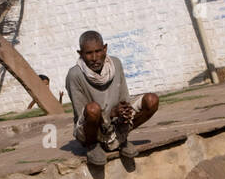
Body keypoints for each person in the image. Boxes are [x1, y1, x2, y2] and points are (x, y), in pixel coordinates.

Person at [65, 30, 159, 166]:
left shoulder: (115, 63)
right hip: (92, 130)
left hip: (116, 123)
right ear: (80, 54)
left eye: (98, 51)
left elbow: (124, 99)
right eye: (89, 53)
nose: (94, 57)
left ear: (105, 49)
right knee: (92, 109)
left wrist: (122, 112)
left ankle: (121, 139)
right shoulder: (75, 75)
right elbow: (82, 115)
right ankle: (93, 147)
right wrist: (109, 115)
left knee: (152, 100)